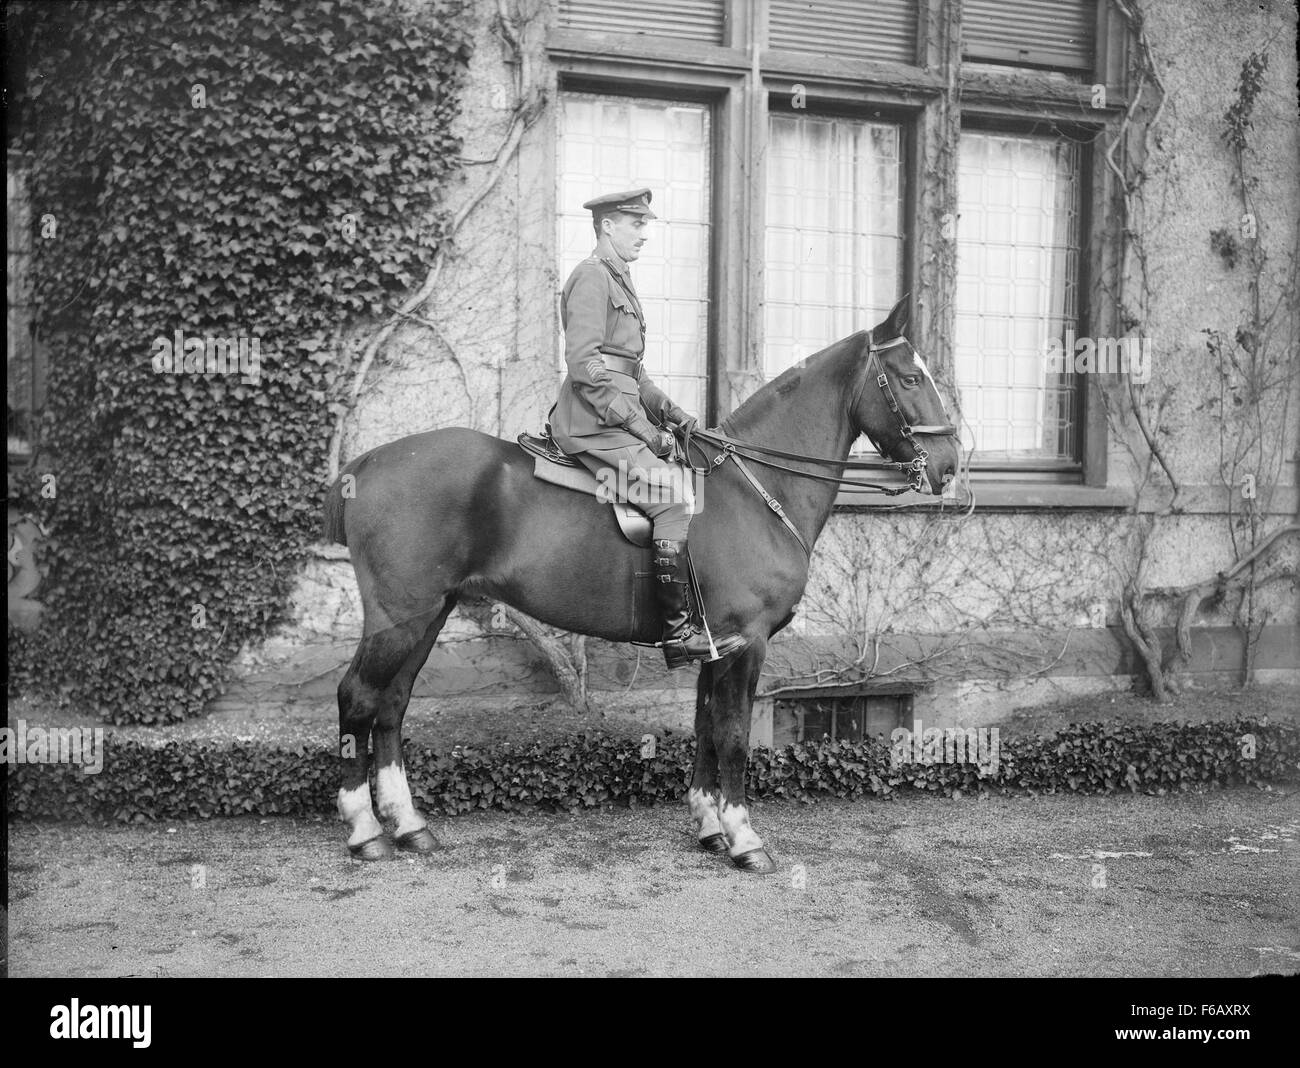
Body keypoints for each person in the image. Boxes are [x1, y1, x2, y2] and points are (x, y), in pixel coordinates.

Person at [549, 188, 745, 668]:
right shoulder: (591, 278)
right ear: (607, 226)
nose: (643, 234)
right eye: (634, 224)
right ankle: (679, 634)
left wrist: (672, 413)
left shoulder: (620, 280)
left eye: (644, 224)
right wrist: (643, 429)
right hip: (592, 424)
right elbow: (585, 367)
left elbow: (634, 373)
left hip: (615, 419)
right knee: (675, 498)